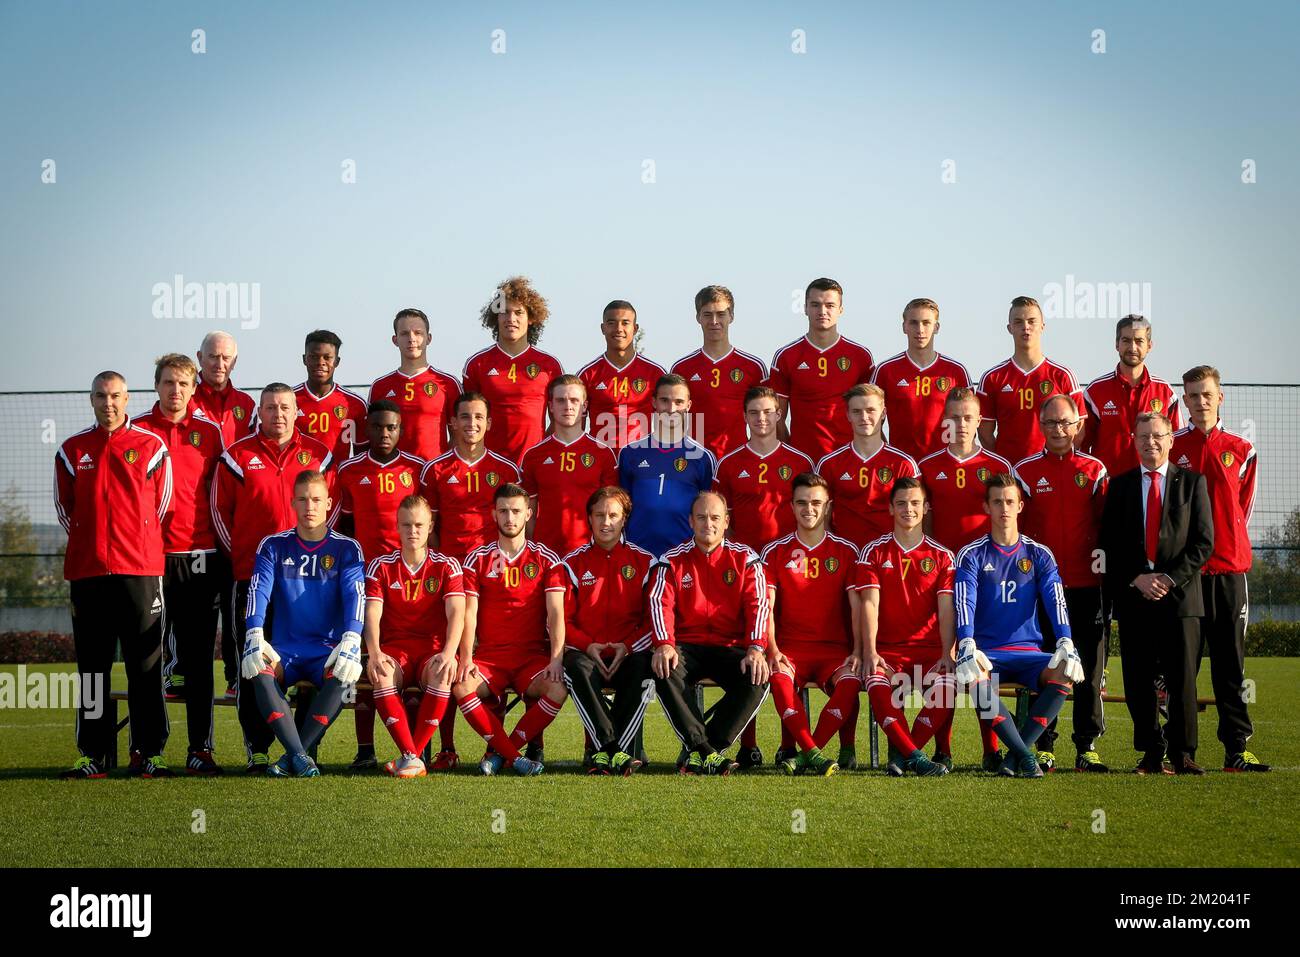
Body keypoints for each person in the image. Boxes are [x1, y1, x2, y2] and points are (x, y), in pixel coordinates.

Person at [55, 371, 174, 778]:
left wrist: (133, 542)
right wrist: (94, 544)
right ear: (91, 399)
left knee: (146, 665)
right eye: (102, 396)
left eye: (116, 396)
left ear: (127, 399)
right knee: (92, 668)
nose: (109, 403)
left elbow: (160, 507)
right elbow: (67, 511)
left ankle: (149, 752)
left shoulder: (151, 446)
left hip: (140, 572)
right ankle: (93, 755)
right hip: (88, 575)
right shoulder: (72, 451)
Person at [212, 383, 333, 773]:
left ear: (297, 412)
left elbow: (333, 507)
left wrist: (310, 556)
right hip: (253, 579)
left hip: (308, 582)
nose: (277, 414)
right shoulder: (236, 456)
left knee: (311, 661)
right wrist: (252, 559)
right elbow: (220, 513)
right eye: (269, 407)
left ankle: (301, 748)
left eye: (284, 407)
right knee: (255, 664)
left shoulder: (318, 454)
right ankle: (258, 749)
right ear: (258, 412)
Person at [1100, 413, 1214, 774]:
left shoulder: (1192, 484)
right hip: (1136, 599)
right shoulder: (1119, 487)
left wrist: (1167, 578)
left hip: (1181, 600)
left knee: (1182, 681)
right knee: (1137, 680)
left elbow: (1203, 543)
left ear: (1170, 440)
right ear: (1133, 441)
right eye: (1143, 436)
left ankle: (1182, 753)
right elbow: (1108, 546)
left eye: (1158, 436)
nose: (1151, 442)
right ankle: (1150, 753)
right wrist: (1136, 578)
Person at [953, 474, 1084, 778]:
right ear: (987, 507)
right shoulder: (971, 554)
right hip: (988, 653)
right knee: (974, 677)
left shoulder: (1039, 554)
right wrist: (967, 643)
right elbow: (964, 603)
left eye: (1010, 501)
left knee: (1064, 671)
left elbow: (1056, 600)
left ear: (1021, 506)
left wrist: (1065, 641)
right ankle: (1025, 758)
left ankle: (1017, 756)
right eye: (997, 501)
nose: (1004, 508)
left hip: (1029, 653)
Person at [1172, 367, 1268, 772]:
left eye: (1206, 394)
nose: (1200, 402)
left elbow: (1241, 510)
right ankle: (1179, 751)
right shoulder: (1173, 446)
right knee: (1182, 667)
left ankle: (1236, 749)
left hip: (1229, 570)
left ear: (1220, 397)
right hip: (1187, 574)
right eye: (1192, 395)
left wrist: (1225, 545)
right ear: (1185, 400)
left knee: (1231, 664)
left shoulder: (1242, 447)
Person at [417, 393, 521, 766]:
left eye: (479, 417)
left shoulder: (506, 469)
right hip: (449, 581)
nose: (471, 424)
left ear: (489, 423)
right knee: (448, 659)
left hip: (493, 579)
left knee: (488, 662)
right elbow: (431, 528)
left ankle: (498, 744)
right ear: (453, 423)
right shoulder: (436, 470)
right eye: (464, 417)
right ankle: (445, 747)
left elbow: (520, 521)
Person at [241, 471, 367, 777]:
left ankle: (291, 757)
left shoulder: (347, 549)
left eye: (316, 500)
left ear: (328, 504)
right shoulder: (273, 545)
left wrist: (352, 638)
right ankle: (300, 756)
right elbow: (258, 589)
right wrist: (254, 632)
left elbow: (356, 595)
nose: (309, 506)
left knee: (343, 674)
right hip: (286, 649)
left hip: (325, 649)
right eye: (302, 500)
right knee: (258, 669)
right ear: (293, 503)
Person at [137, 354, 225, 775]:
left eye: (183, 384)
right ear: (156, 386)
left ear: (194, 388)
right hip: (150, 558)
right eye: (168, 383)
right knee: (148, 657)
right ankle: (148, 750)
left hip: (200, 555)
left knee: (198, 659)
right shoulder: (138, 430)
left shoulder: (210, 432)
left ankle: (200, 749)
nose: (176, 391)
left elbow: (219, 493)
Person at [1014, 395, 1111, 772]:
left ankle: (1086, 746)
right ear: (1040, 424)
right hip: (1040, 590)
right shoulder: (1024, 471)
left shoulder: (1094, 469)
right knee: (1047, 667)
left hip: (1088, 587)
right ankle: (1044, 744)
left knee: (1086, 668)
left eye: (1065, 422)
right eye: (1051, 422)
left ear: (1078, 425)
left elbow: (1105, 527)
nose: (1058, 429)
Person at [332, 400, 427, 771]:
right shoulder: (350, 470)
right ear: (365, 429)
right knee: (366, 667)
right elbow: (345, 527)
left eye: (391, 427)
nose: (384, 434)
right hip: (365, 582)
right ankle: (365, 749)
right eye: (377, 427)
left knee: (412, 668)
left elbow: (424, 526)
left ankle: (419, 747)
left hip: (408, 582)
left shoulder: (417, 469)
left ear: (401, 430)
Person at [649, 491, 771, 775]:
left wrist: (755, 648)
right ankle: (705, 751)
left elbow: (759, 605)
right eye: (701, 517)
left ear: (726, 521)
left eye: (715, 517)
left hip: (730, 647)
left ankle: (705, 750)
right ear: (690, 521)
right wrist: (664, 644)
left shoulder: (746, 559)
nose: (708, 524)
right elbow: (659, 603)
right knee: (661, 666)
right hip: (687, 647)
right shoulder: (671, 560)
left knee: (759, 675)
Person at [452, 484, 569, 776]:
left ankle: (501, 753)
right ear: (493, 514)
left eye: (516, 511)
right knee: (461, 685)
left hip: (531, 657)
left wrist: (556, 659)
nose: (510, 517)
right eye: (503, 511)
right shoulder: (478, 559)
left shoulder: (546, 559)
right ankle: (515, 757)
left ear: (529, 513)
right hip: (491, 658)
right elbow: (470, 614)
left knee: (557, 687)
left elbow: (556, 614)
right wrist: (466, 658)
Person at [759, 473, 862, 776]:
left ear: (828, 506)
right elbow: (766, 606)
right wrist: (773, 649)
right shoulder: (774, 552)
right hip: (791, 650)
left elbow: (858, 607)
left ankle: (812, 752)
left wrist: (857, 650)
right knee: (778, 677)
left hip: (834, 651)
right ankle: (812, 753)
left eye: (816, 503)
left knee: (850, 680)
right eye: (802, 502)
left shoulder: (847, 551)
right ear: (791, 506)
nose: (809, 509)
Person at [853, 477, 954, 777]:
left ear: (926, 508)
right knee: (878, 681)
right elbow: (869, 604)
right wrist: (870, 651)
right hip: (889, 652)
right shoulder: (873, 552)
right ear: (890, 508)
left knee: (948, 687)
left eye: (914, 503)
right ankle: (916, 757)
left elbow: (946, 609)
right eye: (901, 503)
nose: (908, 509)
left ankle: (904, 754)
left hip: (929, 651)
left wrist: (948, 652)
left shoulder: (942, 556)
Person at [362, 495, 465, 778]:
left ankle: (410, 756)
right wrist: (374, 651)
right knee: (381, 673)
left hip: (432, 650)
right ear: (397, 526)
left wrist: (449, 651)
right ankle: (413, 756)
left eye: (419, 525)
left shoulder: (447, 565)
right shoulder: (380, 566)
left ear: (430, 526)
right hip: (395, 651)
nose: (413, 531)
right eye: (406, 525)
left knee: (443, 671)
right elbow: (372, 613)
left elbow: (457, 613)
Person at [560, 487, 657, 775]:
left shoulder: (645, 562)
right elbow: (560, 622)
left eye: (613, 515)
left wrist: (626, 646)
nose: (606, 522)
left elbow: (652, 621)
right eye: (599, 515)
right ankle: (614, 751)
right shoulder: (572, 563)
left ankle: (604, 752)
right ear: (588, 518)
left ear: (624, 519)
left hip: (628, 654)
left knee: (644, 667)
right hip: (586, 654)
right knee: (573, 666)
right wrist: (588, 645)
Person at [189, 329, 255, 695]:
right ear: (200, 358)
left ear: (235, 361)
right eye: (212, 356)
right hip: (193, 524)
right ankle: (179, 670)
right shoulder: (186, 397)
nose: (219, 363)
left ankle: (235, 676)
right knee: (190, 607)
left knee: (235, 606)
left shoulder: (246, 404)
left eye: (226, 357)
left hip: (234, 522)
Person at [768, 278, 875, 464]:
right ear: (805, 308)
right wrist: (792, 455)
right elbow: (776, 417)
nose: (822, 311)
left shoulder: (861, 356)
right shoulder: (786, 356)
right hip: (803, 459)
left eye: (830, 305)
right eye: (815, 304)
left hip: (849, 459)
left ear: (841, 309)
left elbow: (872, 413)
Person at [463, 276, 564, 465]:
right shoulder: (477, 364)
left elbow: (560, 421)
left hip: (534, 463)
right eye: (505, 312)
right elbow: (467, 421)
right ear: (495, 317)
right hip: (489, 465)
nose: (511, 319)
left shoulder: (549, 365)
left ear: (532, 318)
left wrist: (540, 447)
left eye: (519, 312)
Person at [976, 297, 1086, 468]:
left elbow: (1079, 429)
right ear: (1009, 328)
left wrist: (1058, 464)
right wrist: (1004, 465)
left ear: (1042, 326)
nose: (1025, 327)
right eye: (1018, 322)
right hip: (1010, 477)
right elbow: (984, 433)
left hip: (1051, 472)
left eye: (1031, 321)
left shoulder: (1063, 375)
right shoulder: (992, 378)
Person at [617, 374, 716, 558]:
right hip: (637, 555)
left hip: (684, 558)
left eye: (679, 402)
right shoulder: (630, 453)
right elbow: (621, 508)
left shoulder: (703, 457)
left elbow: (707, 511)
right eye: (665, 400)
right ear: (654, 402)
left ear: (688, 406)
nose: (671, 409)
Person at [520, 375, 619, 556]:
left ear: (585, 406)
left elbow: (611, 510)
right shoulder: (533, 456)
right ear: (551, 407)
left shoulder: (603, 453)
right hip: (546, 554)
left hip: (590, 553)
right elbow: (528, 513)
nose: (568, 406)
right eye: (560, 400)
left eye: (574, 400)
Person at [669, 285, 768, 460]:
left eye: (721, 314)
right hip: (693, 458)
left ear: (731, 316)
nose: (714, 321)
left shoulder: (753, 366)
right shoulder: (681, 368)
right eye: (707, 314)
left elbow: (768, 419)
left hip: (738, 458)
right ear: (698, 317)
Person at [817, 383, 919, 548]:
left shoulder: (903, 463)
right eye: (856, 411)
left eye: (871, 410)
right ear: (848, 415)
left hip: (888, 557)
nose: (864, 417)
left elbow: (916, 516)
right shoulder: (829, 463)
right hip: (846, 556)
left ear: (884, 413)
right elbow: (822, 520)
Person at [712, 385, 814, 551]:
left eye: (768, 412)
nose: (761, 418)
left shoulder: (801, 462)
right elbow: (723, 521)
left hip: (789, 556)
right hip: (746, 558)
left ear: (779, 415)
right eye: (754, 412)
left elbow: (811, 515)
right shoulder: (727, 464)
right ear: (744, 416)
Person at [871, 298, 971, 463]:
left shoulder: (956, 371)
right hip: (901, 465)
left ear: (936, 327)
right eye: (914, 323)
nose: (920, 329)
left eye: (926, 323)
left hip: (945, 464)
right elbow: (872, 423)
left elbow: (970, 423)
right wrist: (889, 455)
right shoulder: (885, 370)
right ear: (904, 327)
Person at [1082, 315, 1180, 480]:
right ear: (1116, 344)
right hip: (1109, 489)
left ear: (1149, 346)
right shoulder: (1095, 391)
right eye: (1126, 340)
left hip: (1152, 489)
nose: (1132, 347)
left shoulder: (1165, 392)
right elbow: (1082, 447)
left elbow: (1178, 443)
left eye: (1139, 341)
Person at [918, 387, 1015, 552]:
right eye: (955, 418)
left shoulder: (999, 466)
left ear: (978, 420)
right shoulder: (927, 466)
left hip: (986, 561)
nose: (961, 424)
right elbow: (923, 519)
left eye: (968, 418)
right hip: (943, 560)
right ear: (945, 419)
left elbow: (1011, 518)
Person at [369, 307, 462, 462]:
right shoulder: (380, 386)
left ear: (429, 338)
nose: (411, 339)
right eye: (404, 333)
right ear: (395, 340)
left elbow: (458, 437)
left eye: (418, 333)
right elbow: (372, 437)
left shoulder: (448, 383)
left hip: (433, 473)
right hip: (395, 475)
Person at [577, 300, 666, 450]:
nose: (619, 329)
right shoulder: (587, 375)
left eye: (625, 323)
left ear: (635, 328)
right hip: (602, 459)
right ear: (602, 328)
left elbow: (669, 425)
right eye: (611, 323)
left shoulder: (655, 373)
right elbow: (576, 430)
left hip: (642, 460)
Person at [293, 329, 368, 462]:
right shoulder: (289, 400)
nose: (320, 362)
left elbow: (362, 454)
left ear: (337, 361)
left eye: (327, 357)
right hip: (298, 480)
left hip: (337, 479)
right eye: (314, 356)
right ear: (304, 359)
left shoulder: (355, 403)